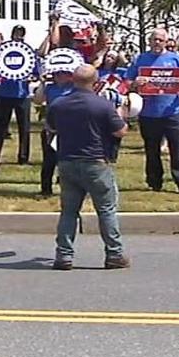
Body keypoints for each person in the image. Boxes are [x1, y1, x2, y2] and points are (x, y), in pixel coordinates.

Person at [47, 64, 130, 271]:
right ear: (95, 81)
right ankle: (114, 254)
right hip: (95, 162)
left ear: (72, 80)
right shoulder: (102, 105)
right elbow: (120, 132)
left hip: (67, 162)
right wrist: (125, 115)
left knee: (69, 211)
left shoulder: (59, 104)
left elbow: (50, 127)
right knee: (106, 209)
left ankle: (64, 256)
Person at [126, 27, 179, 193]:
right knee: (152, 149)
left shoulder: (175, 58)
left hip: (173, 111)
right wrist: (136, 83)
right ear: (149, 41)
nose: (157, 43)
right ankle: (154, 182)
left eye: (160, 40)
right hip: (148, 112)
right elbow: (127, 81)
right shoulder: (141, 59)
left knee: (178, 149)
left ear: (166, 42)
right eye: (154, 39)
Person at [0, 26, 34, 170]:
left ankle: (23, 157)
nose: (18, 37)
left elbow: (36, 72)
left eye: (21, 34)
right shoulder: (3, 51)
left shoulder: (28, 51)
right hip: (4, 94)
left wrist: (33, 77)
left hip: (23, 95)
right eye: (16, 34)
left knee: (25, 128)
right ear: (12, 34)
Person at [33, 64, 77, 197]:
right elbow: (37, 100)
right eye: (58, 73)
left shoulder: (75, 88)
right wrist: (42, 82)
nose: (61, 75)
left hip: (71, 128)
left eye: (64, 72)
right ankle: (46, 189)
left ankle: (72, 189)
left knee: (71, 162)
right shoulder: (50, 88)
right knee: (48, 161)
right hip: (51, 128)